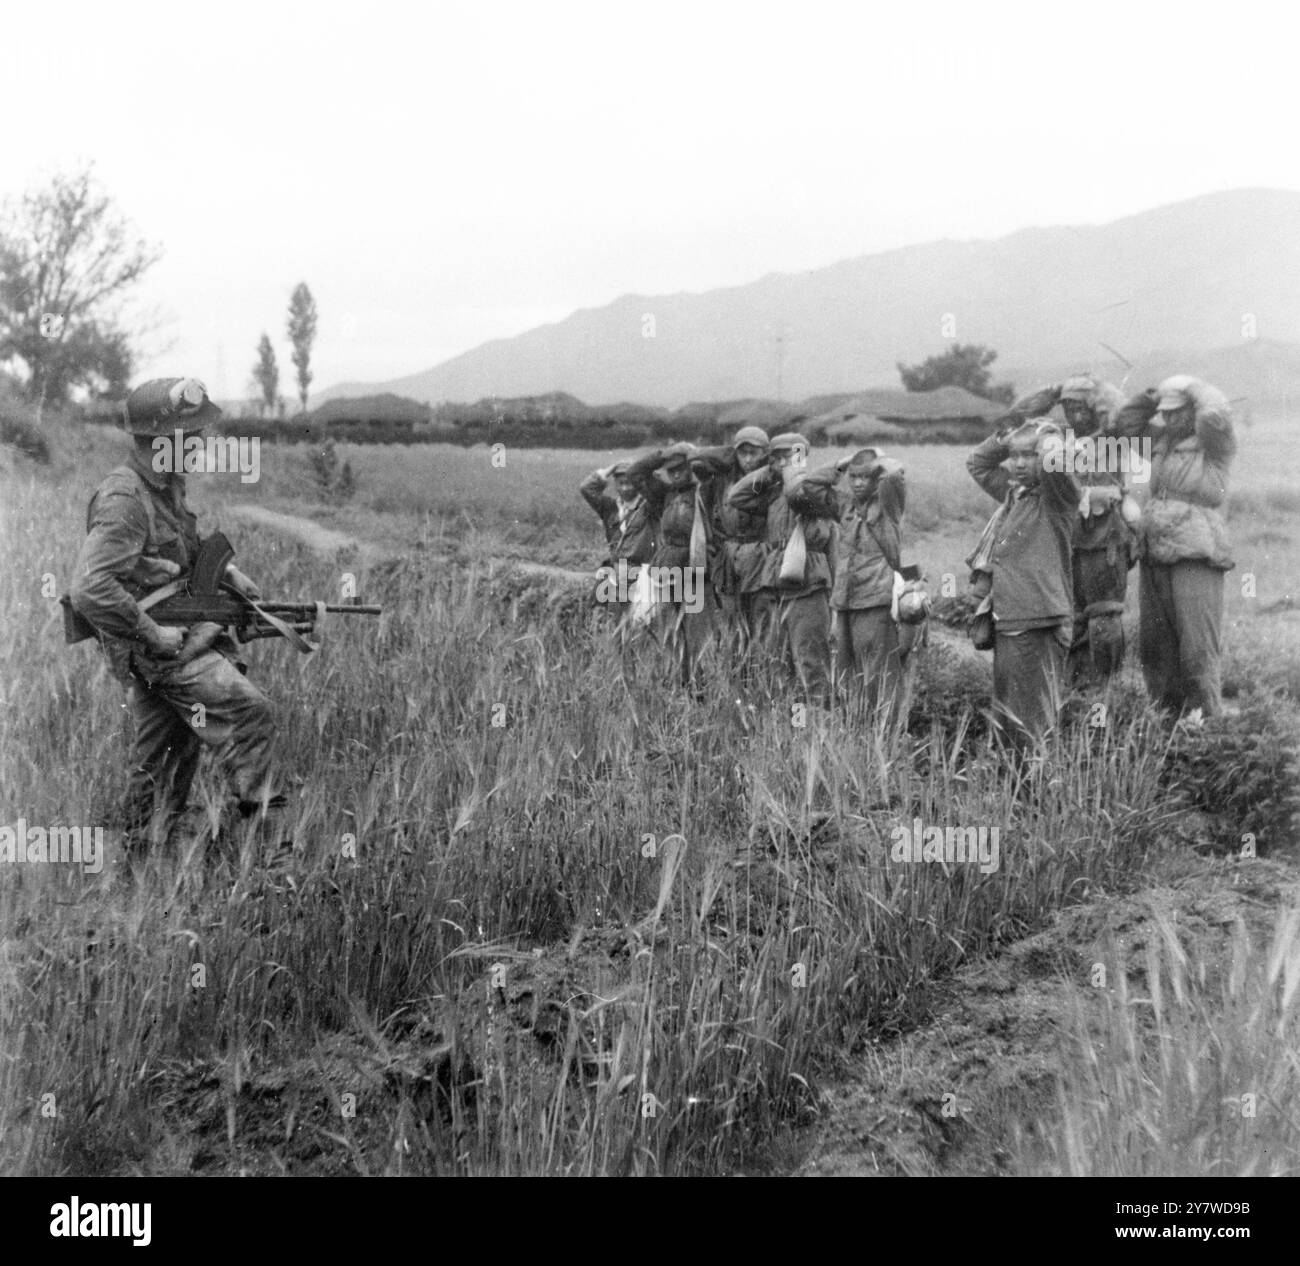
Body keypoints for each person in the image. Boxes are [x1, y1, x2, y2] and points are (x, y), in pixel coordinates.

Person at [68, 377, 280, 853]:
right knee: (250, 714)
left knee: (165, 752)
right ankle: (261, 849)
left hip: (169, 635)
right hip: (157, 646)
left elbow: (179, 551)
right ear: (163, 441)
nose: (201, 446)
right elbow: (88, 587)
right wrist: (154, 634)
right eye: (193, 438)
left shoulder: (165, 485)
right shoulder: (125, 500)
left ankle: (140, 855)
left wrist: (229, 572)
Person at [1115, 375, 1236, 717]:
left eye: (1177, 412)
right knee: (1156, 642)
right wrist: (1155, 394)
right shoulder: (1161, 440)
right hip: (1155, 544)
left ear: (1193, 410)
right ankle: (1168, 720)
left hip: (1196, 545)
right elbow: (1127, 423)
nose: (1169, 419)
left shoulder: (1213, 442)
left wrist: (1195, 386)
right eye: (1165, 413)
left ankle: (1206, 723)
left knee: (1197, 643)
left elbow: (1216, 415)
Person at [1006, 374, 1136, 686]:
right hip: (1069, 539)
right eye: (1068, 407)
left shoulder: (1113, 437)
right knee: (1073, 618)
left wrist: (1097, 390)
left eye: (1082, 407)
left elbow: (1123, 414)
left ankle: (1106, 695)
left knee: (1103, 618)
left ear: (1094, 408)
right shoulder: (1058, 440)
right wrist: (1055, 390)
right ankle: (1077, 693)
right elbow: (1019, 414)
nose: (1075, 414)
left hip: (1106, 539)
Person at [967, 420, 1082, 752]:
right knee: (1007, 715)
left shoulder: (1058, 498)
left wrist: (1048, 437)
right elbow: (977, 463)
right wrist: (1006, 437)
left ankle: (1037, 795)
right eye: (1013, 456)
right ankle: (1014, 792)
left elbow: (1058, 468)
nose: (1018, 463)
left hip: (1039, 618)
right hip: (1011, 615)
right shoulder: (1014, 495)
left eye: (1028, 456)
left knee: (1031, 722)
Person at [726, 433, 838, 706]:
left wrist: (792, 469)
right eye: (776, 456)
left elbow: (798, 494)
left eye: (789, 455)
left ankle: (817, 726)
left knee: (810, 660)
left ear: (802, 457)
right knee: (775, 659)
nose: (782, 462)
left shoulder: (816, 492)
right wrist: (770, 469)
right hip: (774, 584)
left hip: (808, 586)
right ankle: (787, 726)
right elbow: (737, 496)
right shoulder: (772, 497)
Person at [801, 447, 907, 723]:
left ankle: (887, 735)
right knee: (849, 674)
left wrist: (877, 459)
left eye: (866, 477)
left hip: (875, 601)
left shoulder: (888, 505)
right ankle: (857, 730)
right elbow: (810, 486)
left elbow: (896, 475)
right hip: (845, 601)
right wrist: (840, 464)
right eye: (854, 477)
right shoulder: (846, 505)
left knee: (879, 675)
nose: (859, 483)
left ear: (876, 478)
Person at [623, 442, 715, 683]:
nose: (674, 474)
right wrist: (661, 455)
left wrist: (694, 453)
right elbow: (635, 474)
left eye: (680, 468)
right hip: (667, 566)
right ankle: (679, 679)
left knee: (694, 628)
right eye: (670, 470)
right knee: (669, 626)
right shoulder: (665, 494)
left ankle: (698, 683)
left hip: (694, 567)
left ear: (690, 467)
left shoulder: (704, 490)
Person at [687, 426, 771, 665]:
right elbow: (696, 459)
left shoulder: (772, 479)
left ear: (765, 453)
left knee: (760, 622)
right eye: (742, 452)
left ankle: (760, 672)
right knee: (731, 620)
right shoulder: (722, 479)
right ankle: (737, 674)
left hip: (760, 558)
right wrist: (729, 452)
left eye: (753, 452)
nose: (747, 459)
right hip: (728, 558)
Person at [579, 460, 654, 619]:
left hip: (638, 569)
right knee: (597, 612)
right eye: (621, 483)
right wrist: (609, 469)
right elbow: (586, 488)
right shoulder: (610, 507)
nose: (625, 488)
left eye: (630, 483)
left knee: (633, 617)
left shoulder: (647, 506)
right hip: (615, 568)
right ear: (615, 484)